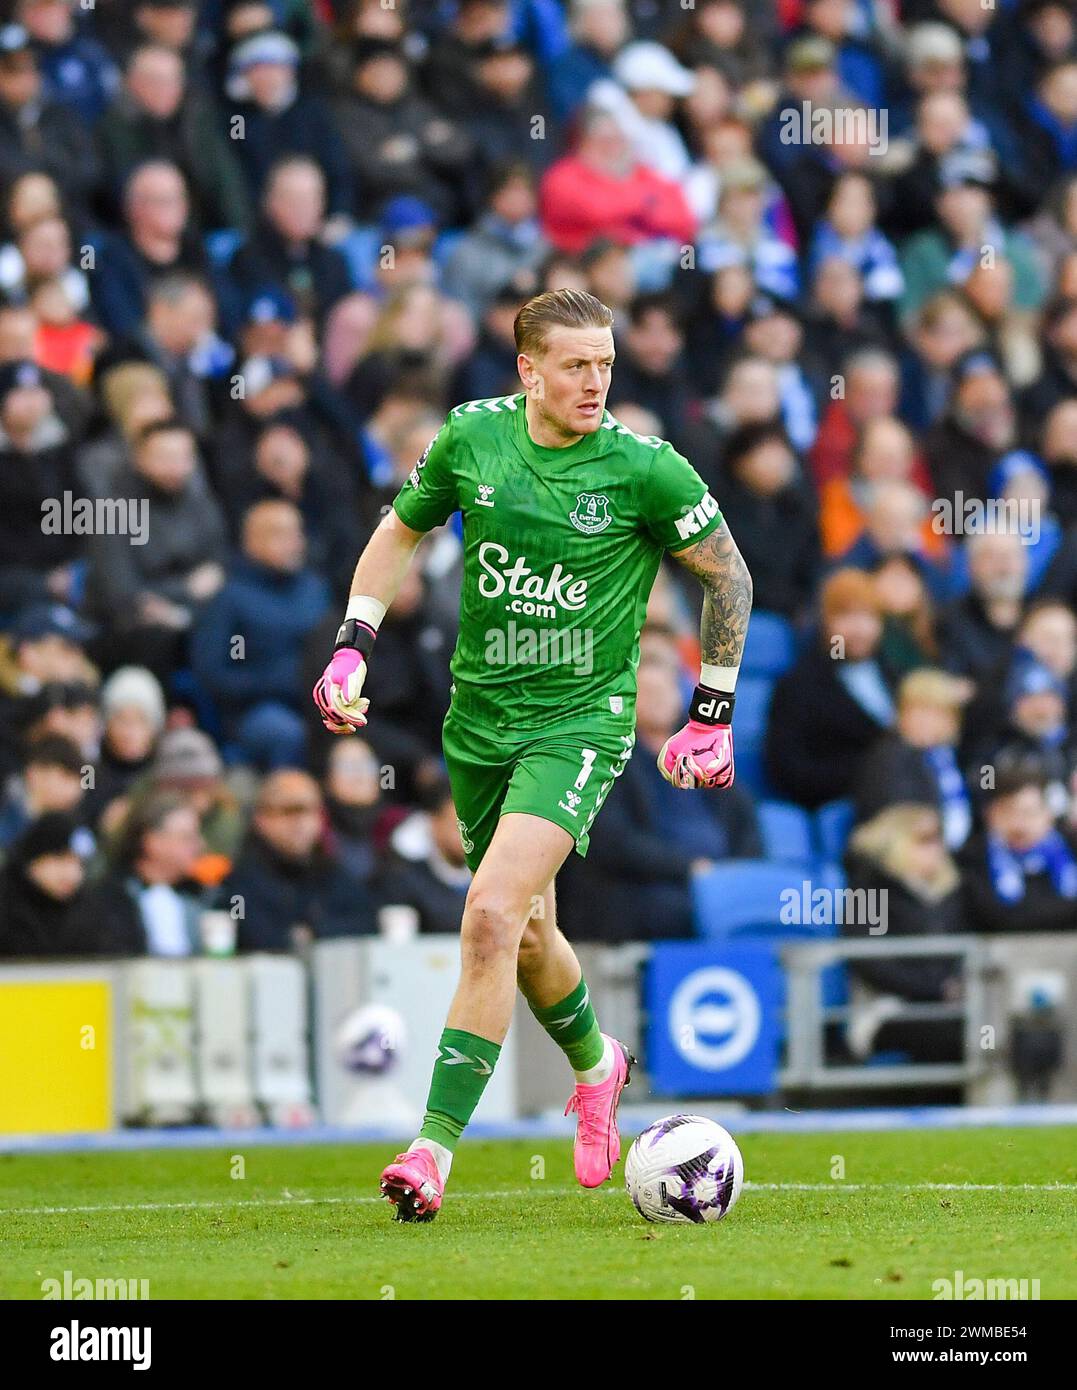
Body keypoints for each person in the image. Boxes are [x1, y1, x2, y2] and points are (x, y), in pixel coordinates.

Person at [312, 287, 752, 1219]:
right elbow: (400, 530)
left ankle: (429, 1151)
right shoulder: (472, 438)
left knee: (487, 915)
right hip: (479, 723)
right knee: (529, 937)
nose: (595, 382)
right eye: (575, 365)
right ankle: (598, 1065)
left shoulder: (644, 468)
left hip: (580, 726)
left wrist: (709, 712)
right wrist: (354, 642)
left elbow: (727, 573)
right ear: (528, 370)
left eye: (605, 364)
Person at [842, 804, 968, 1063]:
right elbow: (869, 962)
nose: (936, 849)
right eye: (924, 841)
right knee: (946, 1032)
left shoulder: (954, 893)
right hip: (886, 1010)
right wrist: (935, 989)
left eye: (938, 839)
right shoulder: (866, 890)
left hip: (952, 1005)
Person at [765, 568, 895, 809]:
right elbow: (789, 769)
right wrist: (868, 772)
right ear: (826, 621)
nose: (860, 629)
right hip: (844, 807)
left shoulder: (892, 674)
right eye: (847, 616)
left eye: (869, 617)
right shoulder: (799, 686)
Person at [225, 768, 376, 950]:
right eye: (290, 811)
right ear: (261, 818)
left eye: (311, 811)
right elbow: (256, 937)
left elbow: (367, 922)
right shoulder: (242, 880)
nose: (301, 823)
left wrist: (314, 932)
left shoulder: (330, 872)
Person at [853, 668, 974, 850]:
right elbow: (903, 822)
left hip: (949, 854)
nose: (927, 721)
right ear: (901, 714)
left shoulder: (945, 757)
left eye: (937, 713)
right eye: (918, 711)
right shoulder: (889, 759)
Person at [960, 760, 1077, 931]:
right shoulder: (972, 858)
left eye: (1029, 813)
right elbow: (995, 917)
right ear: (990, 814)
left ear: (1048, 814)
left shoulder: (1072, 848)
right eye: (1008, 812)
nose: (1019, 824)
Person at [377, 776, 473, 935]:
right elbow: (399, 944)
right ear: (434, 823)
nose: (469, 837)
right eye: (459, 827)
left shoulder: (492, 875)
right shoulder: (401, 878)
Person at [0, 810, 91, 957]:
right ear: (34, 857)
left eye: (79, 863)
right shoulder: (5, 906)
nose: (72, 874)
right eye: (61, 858)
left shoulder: (87, 911)